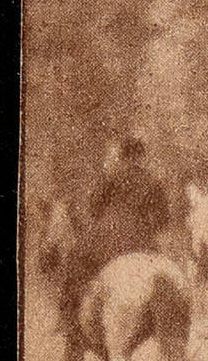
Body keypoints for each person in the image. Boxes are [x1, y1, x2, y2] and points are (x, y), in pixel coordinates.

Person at [59, 135, 172, 341]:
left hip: (109, 237)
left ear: (123, 156)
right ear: (141, 156)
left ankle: (68, 320)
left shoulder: (112, 177)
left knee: (74, 258)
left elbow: (94, 208)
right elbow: (163, 219)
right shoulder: (154, 182)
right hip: (143, 241)